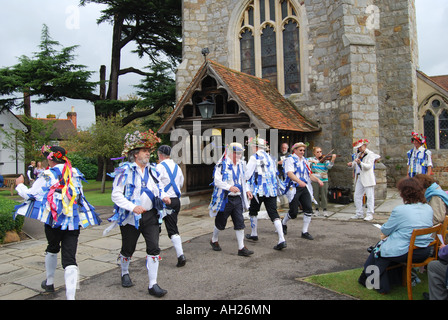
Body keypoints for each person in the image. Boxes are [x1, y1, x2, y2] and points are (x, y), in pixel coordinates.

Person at [13, 145, 101, 300]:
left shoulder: (47, 174)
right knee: (70, 258)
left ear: (50, 158)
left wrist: (19, 184)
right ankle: (71, 297)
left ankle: (50, 282)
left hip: (53, 220)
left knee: (52, 247)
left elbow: (30, 195)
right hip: (73, 221)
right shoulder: (74, 172)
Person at [108, 130, 167, 298]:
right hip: (130, 218)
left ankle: (153, 284)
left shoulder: (153, 170)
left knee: (154, 248)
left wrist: (164, 196)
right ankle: (124, 272)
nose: (148, 153)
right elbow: (116, 195)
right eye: (144, 150)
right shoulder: (123, 171)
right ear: (135, 154)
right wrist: (132, 206)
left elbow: (159, 188)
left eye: (149, 150)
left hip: (150, 216)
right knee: (128, 249)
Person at [358, 177, 434, 294]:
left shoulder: (400, 210)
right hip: (424, 250)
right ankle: (387, 279)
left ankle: (375, 283)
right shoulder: (428, 208)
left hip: (408, 252)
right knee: (383, 248)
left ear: (403, 193)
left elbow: (386, 230)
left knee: (379, 251)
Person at [208, 142, 254, 256]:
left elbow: (244, 180)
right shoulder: (221, 164)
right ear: (230, 153)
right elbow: (217, 181)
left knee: (240, 222)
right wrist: (229, 187)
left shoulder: (241, 164)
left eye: (240, 153)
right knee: (220, 222)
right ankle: (214, 240)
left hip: (237, 198)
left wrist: (247, 190)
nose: (238, 156)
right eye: (236, 153)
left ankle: (241, 248)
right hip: (225, 198)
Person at [245, 136, 286, 250]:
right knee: (273, 213)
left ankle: (254, 233)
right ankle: (281, 239)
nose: (252, 148)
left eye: (253, 146)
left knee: (253, 211)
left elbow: (247, 174)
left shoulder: (254, 158)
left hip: (258, 190)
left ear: (256, 146)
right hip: (271, 190)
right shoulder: (270, 157)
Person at [282, 142, 323, 240]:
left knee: (308, 208)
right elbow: (289, 173)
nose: (302, 152)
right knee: (293, 212)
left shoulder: (304, 161)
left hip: (304, 187)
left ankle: (305, 231)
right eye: (300, 150)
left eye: (304, 150)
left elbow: (309, 175)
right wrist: (299, 181)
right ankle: (283, 223)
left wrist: (317, 180)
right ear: (294, 150)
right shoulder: (290, 160)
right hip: (294, 187)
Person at [156, 144, 186, 267]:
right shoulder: (177, 167)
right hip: (175, 201)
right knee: (172, 227)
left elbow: (155, 184)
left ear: (160, 154)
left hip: (162, 201)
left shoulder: (158, 167)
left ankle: (155, 253)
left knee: (154, 227)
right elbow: (181, 182)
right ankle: (180, 255)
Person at [347, 139, 379, 221]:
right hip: (359, 177)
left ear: (364, 146)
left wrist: (360, 163)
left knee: (370, 196)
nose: (359, 149)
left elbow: (368, 166)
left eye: (360, 147)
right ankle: (359, 213)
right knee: (357, 195)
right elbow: (355, 163)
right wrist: (352, 164)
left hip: (367, 177)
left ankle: (370, 214)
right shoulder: (359, 154)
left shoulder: (371, 154)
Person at [308, 147, 336, 217]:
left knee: (324, 195)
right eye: (317, 152)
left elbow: (329, 167)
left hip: (324, 179)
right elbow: (306, 161)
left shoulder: (325, 160)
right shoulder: (312, 159)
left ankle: (324, 209)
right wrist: (313, 162)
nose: (320, 153)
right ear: (314, 153)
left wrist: (332, 160)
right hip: (315, 179)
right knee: (315, 194)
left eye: (320, 151)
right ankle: (316, 209)